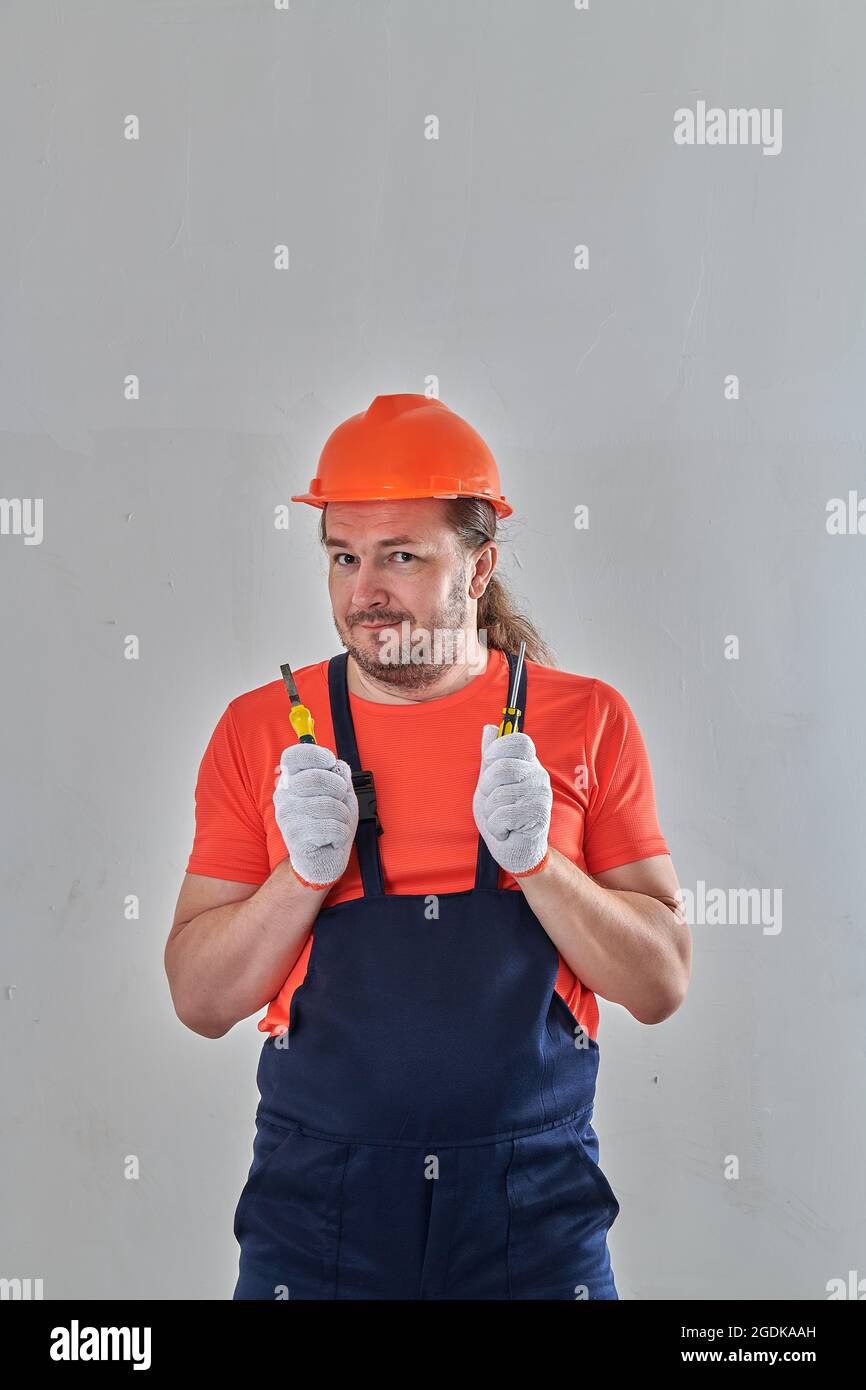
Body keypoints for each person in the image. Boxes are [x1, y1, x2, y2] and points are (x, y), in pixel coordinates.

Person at [164, 393, 690, 1301]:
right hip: (318, 1215)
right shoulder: (261, 734)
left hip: (534, 1215)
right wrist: (301, 876)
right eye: (344, 557)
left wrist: (539, 864)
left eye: (402, 556)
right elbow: (201, 1002)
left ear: (479, 567)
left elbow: (659, 984)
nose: (366, 592)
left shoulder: (584, 720)